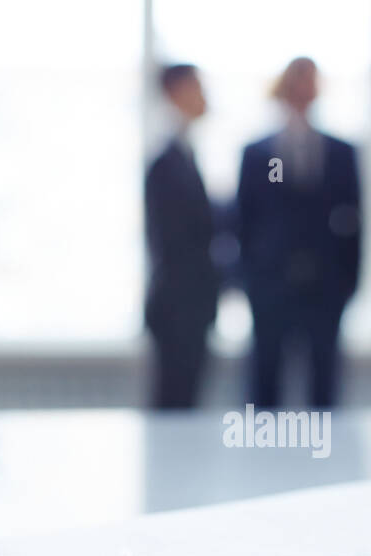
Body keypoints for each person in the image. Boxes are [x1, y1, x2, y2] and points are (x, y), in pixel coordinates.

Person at [237, 57, 361, 409]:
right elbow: (244, 222)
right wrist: (248, 280)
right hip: (271, 285)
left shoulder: (340, 152)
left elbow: (353, 220)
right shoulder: (258, 154)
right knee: (266, 383)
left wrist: (350, 280)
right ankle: (267, 456)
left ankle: (326, 459)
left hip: (325, 286)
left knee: (325, 385)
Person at [144, 64, 220, 409]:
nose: (205, 96)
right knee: (174, 405)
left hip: (192, 307)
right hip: (178, 309)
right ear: (176, 93)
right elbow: (175, 242)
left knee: (185, 402)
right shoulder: (165, 162)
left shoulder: (186, 155)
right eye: (197, 87)